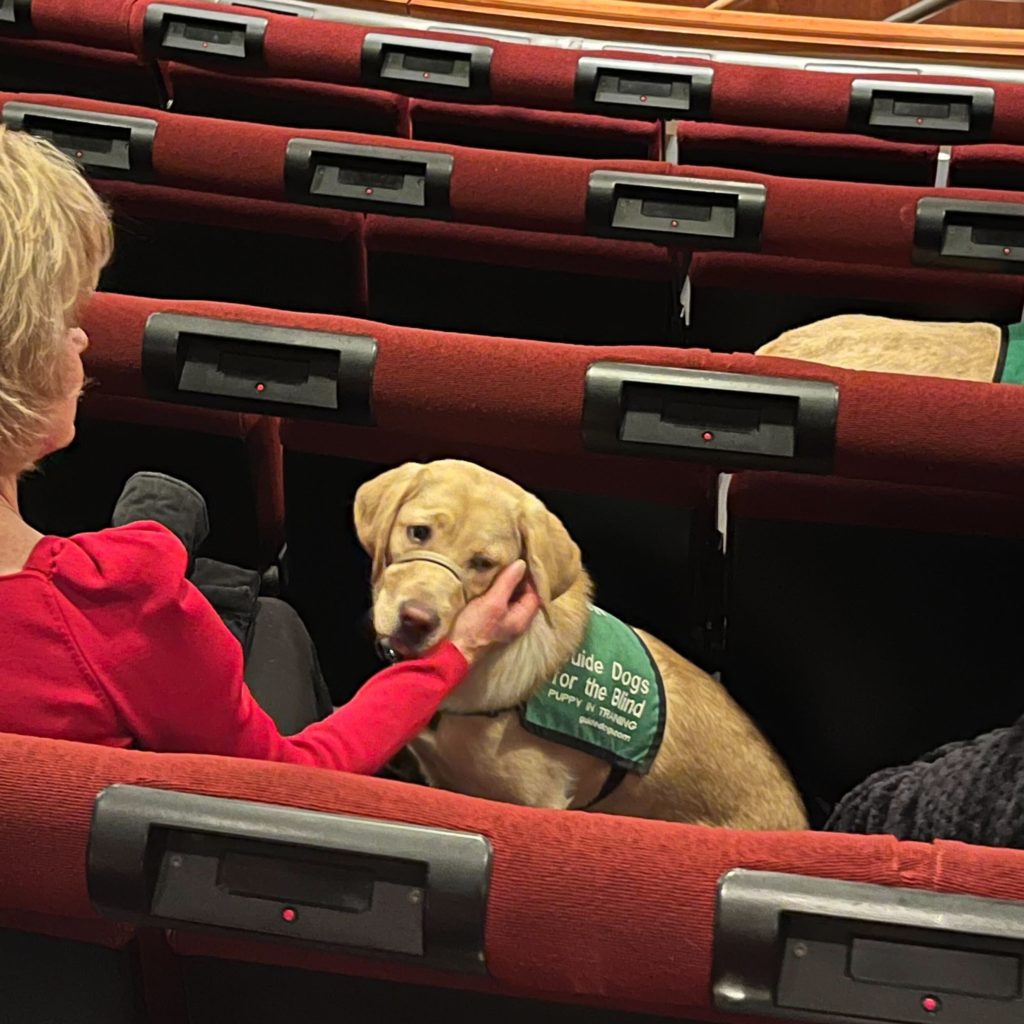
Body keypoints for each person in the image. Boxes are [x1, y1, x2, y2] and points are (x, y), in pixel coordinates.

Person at [0, 124, 541, 772]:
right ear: (21, 364)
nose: (82, 342)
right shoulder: (114, 606)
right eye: (65, 323)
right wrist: (459, 650)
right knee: (275, 622)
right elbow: (291, 777)